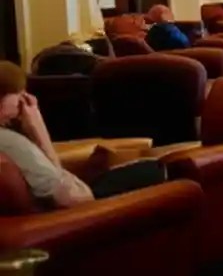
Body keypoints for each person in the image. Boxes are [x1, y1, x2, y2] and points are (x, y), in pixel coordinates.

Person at [0, 62, 167, 208]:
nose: (26, 101)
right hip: (79, 217)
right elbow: (79, 198)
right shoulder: (12, 144)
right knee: (162, 170)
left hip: (62, 201)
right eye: (20, 95)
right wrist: (38, 129)